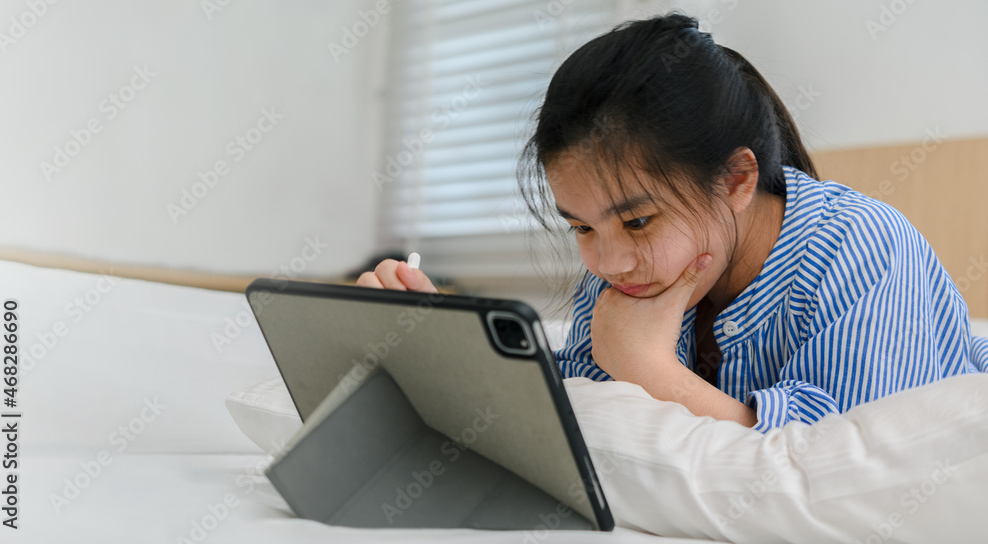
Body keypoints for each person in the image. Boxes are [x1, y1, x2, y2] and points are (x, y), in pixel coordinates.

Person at [358, 12, 988, 433]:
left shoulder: (862, 246)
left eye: (636, 221)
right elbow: (577, 400)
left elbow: (848, 461)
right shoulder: (624, 271)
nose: (605, 261)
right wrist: (448, 347)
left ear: (737, 181)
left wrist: (648, 369)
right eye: (581, 228)